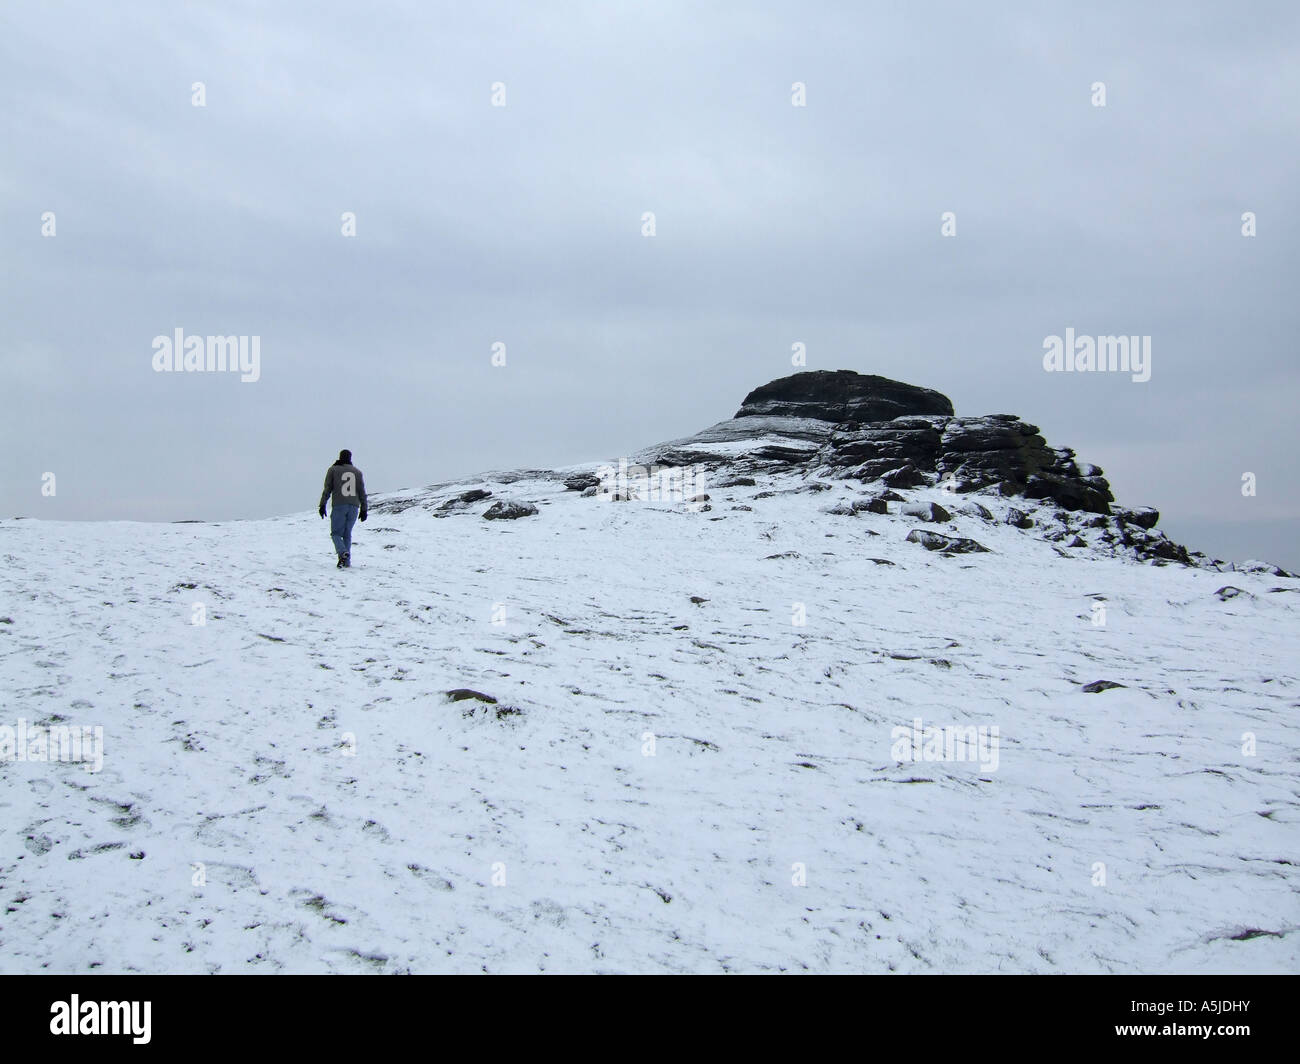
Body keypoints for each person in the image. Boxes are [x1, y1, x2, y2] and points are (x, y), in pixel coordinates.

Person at [319, 449, 367, 568]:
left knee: (336, 534)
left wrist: (322, 504)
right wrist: (364, 509)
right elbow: (362, 492)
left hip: (339, 505)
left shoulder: (333, 469)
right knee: (347, 534)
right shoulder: (357, 472)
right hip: (354, 507)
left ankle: (342, 552)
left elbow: (328, 489)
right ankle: (346, 562)